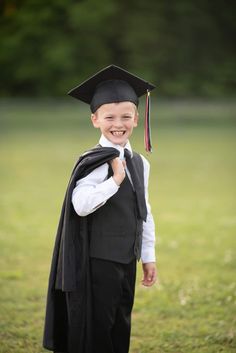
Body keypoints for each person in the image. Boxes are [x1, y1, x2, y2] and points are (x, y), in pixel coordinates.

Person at [43, 65, 157, 353]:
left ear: (136, 118)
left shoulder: (140, 163)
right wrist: (114, 180)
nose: (118, 124)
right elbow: (80, 206)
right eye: (109, 117)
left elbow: (144, 211)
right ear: (95, 119)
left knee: (121, 322)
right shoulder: (95, 161)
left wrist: (148, 255)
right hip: (97, 263)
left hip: (126, 259)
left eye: (126, 116)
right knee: (98, 329)